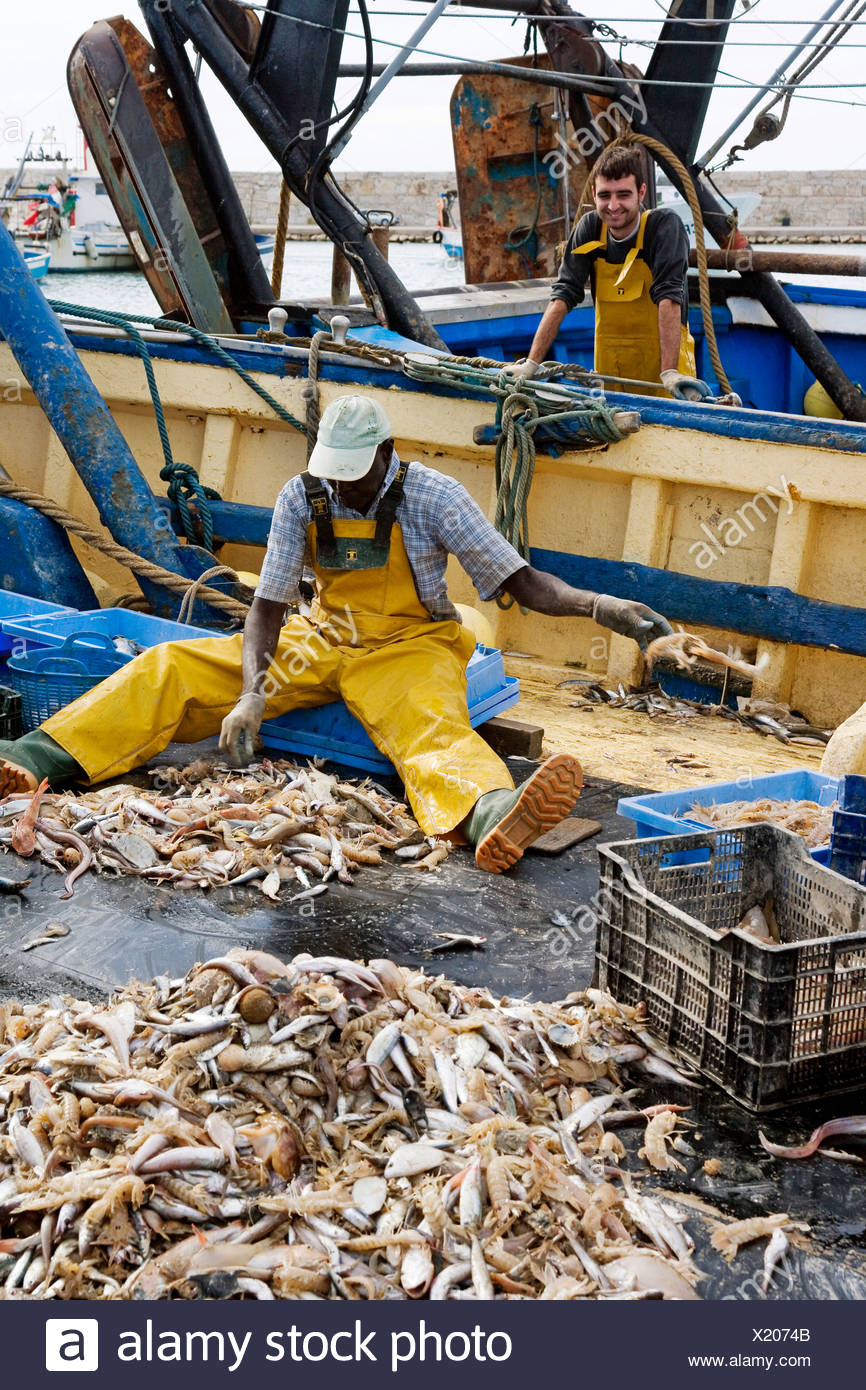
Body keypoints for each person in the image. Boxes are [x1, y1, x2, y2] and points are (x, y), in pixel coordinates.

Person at [0, 394, 672, 873]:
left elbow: (520, 583)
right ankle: (36, 759)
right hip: (321, 637)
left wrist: (603, 608)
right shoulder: (303, 495)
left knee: (431, 731)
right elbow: (266, 605)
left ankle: (496, 814)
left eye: (353, 478)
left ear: (386, 455)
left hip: (410, 646)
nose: (341, 490)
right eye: (332, 475)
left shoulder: (435, 497)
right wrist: (254, 695)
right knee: (173, 666)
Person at [508, 143, 710, 401]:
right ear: (594, 194)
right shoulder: (590, 228)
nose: (613, 206)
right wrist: (531, 364)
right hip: (610, 378)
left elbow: (669, 298)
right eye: (605, 195)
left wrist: (669, 372)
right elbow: (563, 295)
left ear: (641, 192)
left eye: (623, 195)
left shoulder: (663, 227)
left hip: (665, 379)